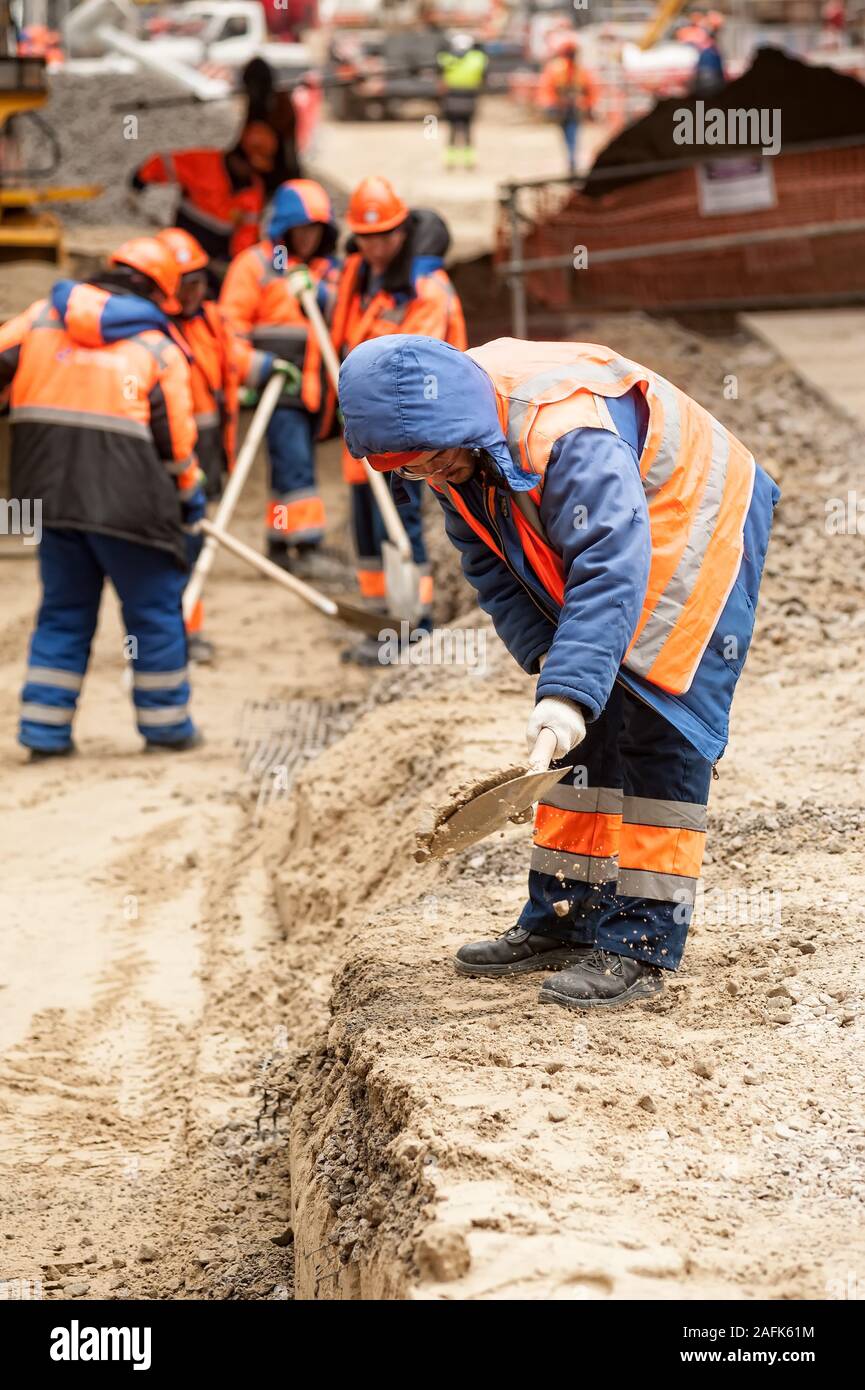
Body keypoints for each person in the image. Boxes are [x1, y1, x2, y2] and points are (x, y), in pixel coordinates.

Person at [338, 334, 779, 1010]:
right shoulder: (455, 438)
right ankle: (565, 918)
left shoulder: (567, 434)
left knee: (659, 721)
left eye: (430, 463)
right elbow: (489, 560)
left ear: (455, 428)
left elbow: (609, 565)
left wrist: (573, 686)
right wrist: (553, 664)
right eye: (410, 471)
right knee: (583, 729)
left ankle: (640, 942)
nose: (428, 479)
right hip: (619, 534)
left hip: (690, 521)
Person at [0, 238, 205, 757]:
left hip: (48, 502)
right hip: (132, 509)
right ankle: (166, 728)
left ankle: (43, 732)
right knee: (153, 613)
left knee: (63, 612)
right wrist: (189, 501)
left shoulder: (40, 319)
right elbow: (177, 445)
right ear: (162, 291)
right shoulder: (160, 346)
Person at [329, 176, 467, 663]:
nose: (375, 247)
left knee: (400, 526)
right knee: (367, 532)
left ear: (403, 231)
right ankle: (380, 626)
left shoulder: (427, 290)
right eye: (365, 237)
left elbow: (416, 363)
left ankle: (414, 627)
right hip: (364, 428)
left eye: (385, 236)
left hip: (409, 431)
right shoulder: (356, 275)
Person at [220, 178, 340, 578]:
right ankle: (306, 548)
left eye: (317, 231)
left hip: (311, 387)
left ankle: (279, 539)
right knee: (295, 466)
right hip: (276, 384)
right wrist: (255, 366)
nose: (309, 239)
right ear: (285, 228)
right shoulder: (253, 266)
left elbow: (345, 315)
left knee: (287, 466)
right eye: (303, 230)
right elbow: (228, 331)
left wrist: (323, 296)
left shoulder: (326, 271)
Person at [156, 226, 248, 663]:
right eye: (182, 284)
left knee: (192, 548)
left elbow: (235, 357)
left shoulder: (209, 321)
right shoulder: (152, 333)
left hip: (205, 456)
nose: (192, 292)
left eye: (196, 282)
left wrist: (269, 367)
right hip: (166, 464)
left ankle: (186, 632)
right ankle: (170, 636)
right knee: (168, 552)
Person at [129, 124, 278, 285]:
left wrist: (238, 264)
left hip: (215, 260)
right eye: (251, 166)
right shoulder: (204, 164)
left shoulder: (253, 190)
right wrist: (140, 180)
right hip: (182, 248)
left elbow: (247, 232)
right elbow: (164, 163)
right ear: (240, 156)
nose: (252, 172)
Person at [537, 32, 598, 177]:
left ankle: (571, 159)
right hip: (565, 108)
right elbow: (547, 89)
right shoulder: (568, 70)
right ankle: (571, 158)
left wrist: (588, 104)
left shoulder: (564, 69)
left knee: (570, 135)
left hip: (570, 109)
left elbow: (591, 91)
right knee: (570, 135)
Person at [436, 31, 488, 171]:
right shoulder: (478, 59)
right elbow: (484, 78)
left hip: (451, 99)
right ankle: (469, 161)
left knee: (452, 131)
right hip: (470, 99)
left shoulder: (445, 59)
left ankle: (450, 161)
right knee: (467, 130)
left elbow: (439, 73)